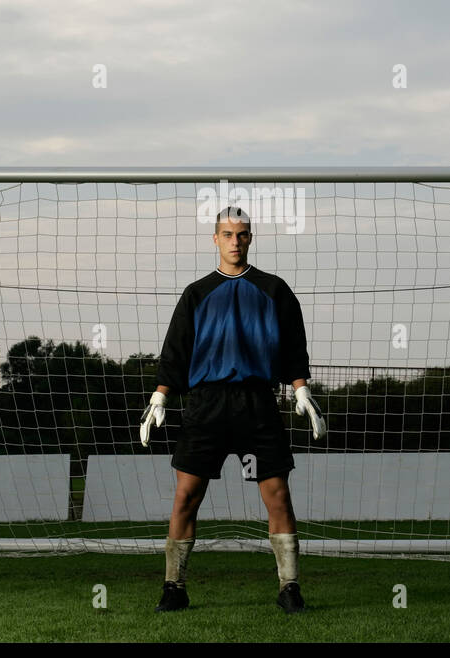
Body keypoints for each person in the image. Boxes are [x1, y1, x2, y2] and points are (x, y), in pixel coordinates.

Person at [139, 205, 326, 613]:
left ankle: (289, 588)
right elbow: (176, 351)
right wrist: (159, 398)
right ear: (215, 239)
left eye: (242, 234)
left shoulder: (274, 289)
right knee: (186, 496)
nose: (235, 241)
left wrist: (301, 392)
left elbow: (294, 348)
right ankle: (174, 588)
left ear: (251, 238)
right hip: (206, 404)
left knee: (277, 495)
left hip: (257, 402)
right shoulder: (197, 293)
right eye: (227, 234)